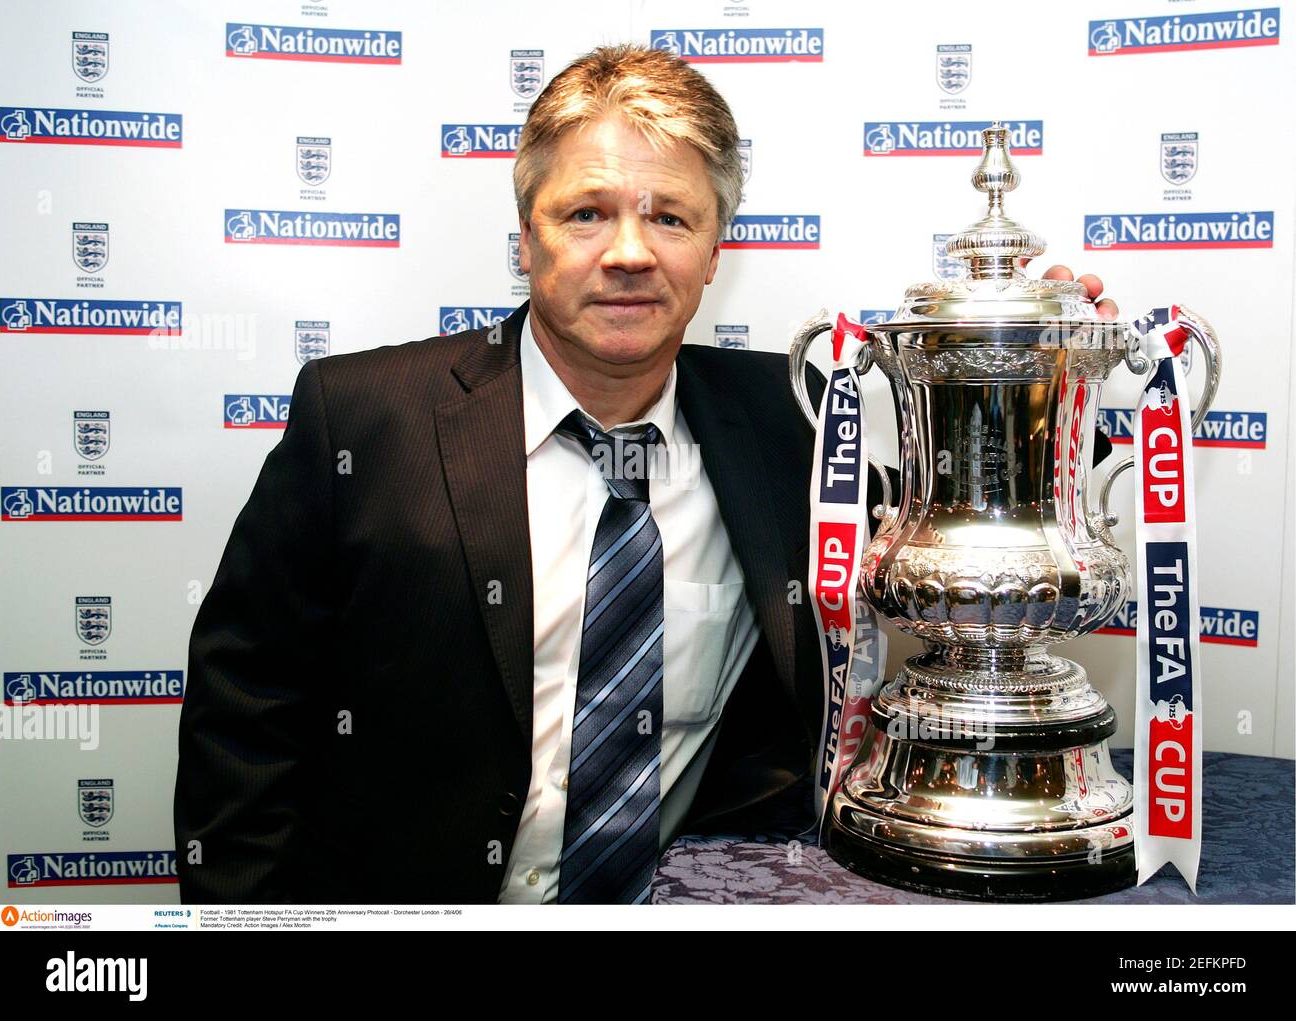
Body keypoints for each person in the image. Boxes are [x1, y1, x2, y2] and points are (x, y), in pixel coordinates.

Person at [173, 43, 1117, 904]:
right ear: (526, 236)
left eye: (670, 216)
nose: (629, 253)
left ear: (714, 252)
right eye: (586, 213)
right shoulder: (366, 417)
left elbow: (978, 507)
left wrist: (1035, 366)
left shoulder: (796, 423)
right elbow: (243, 713)